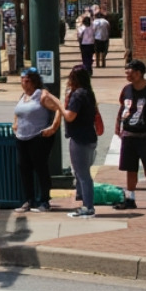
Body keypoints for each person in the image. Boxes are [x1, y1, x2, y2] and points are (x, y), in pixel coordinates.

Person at [113, 60, 146, 210]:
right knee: (130, 168)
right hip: (129, 135)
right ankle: (131, 198)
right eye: (126, 73)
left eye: (130, 73)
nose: (128, 76)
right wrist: (118, 125)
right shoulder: (126, 90)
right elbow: (123, 107)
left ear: (139, 73)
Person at [13, 66, 64, 212]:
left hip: (38, 137)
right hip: (21, 137)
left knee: (40, 168)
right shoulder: (23, 96)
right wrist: (15, 123)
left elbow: (58, 108)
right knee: (24, 168)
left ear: (34, 82)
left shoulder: (41, 95)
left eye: (27, 81)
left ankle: (44, 201)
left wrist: (53, 127)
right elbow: (18, 112)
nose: (24, 84)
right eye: (22, 81)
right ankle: (29, 200)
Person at [60, 65, 99, 218]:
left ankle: (88, 206)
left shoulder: (77, 95)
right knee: (83, 173)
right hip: (90, 136)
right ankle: (84, 201)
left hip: (79, 138)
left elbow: (70, 116)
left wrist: (60, 107)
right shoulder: (89, 93)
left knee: (82, 174)